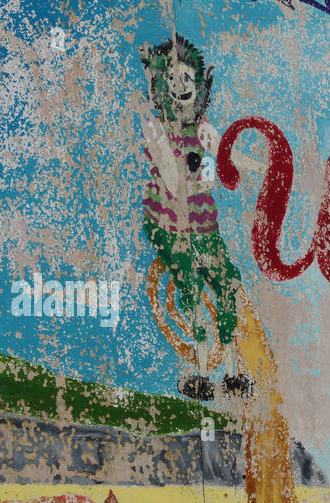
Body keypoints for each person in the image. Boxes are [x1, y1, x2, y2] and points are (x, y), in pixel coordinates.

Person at [137, 33, 252, 402]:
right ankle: (203, 375)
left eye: (186, 80)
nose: (180, 88)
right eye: (172, 82)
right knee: (190, 288)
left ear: (200, 84)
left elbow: (212, 176)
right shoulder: (157, 130)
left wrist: (205, 164)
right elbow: (170, 179)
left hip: (203, 225)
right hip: (168, 224)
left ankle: (234, 374)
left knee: (226, 285)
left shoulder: (203, 130)